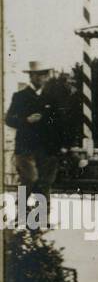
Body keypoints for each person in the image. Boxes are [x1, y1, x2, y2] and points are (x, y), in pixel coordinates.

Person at [5, 60, 63, 204]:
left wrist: (60, 145)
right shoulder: (20, 96)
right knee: (30, 178)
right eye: (36, 74)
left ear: (47, 76)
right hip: (25, 147)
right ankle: (22, 216)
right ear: (30, 76)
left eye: (43, 74)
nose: (40, 78)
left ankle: (40, 219)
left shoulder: (51, 97)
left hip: (46, 148)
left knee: (44, 184)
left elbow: (58, 123)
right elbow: (9, 120)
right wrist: (26, 121)